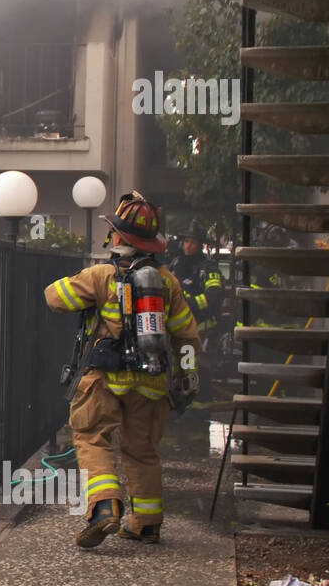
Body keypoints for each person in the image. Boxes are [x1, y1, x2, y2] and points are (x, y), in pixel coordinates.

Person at [44, 191, 201, 548]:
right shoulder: (168, 283)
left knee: (92, 436)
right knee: (140, 449)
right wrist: (188, 376)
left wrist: (82, 280)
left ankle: (104, 509)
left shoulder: (101, 276)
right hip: (151, 380)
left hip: (103, 380)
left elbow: (54, 297)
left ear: (117, 237)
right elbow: (187, 336)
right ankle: (145, 523)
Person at [167, 220, 224, 408]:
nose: (188, 245)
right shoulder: (175, 265)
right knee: (178, 369)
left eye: (192, 242)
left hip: (201, 331)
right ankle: (181, 407)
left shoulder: (208, 269)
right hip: (178, 330)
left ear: (201, 245)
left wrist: (189, 304)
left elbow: (214, 296)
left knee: (198, 370)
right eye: (186, 241)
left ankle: (199, 412)